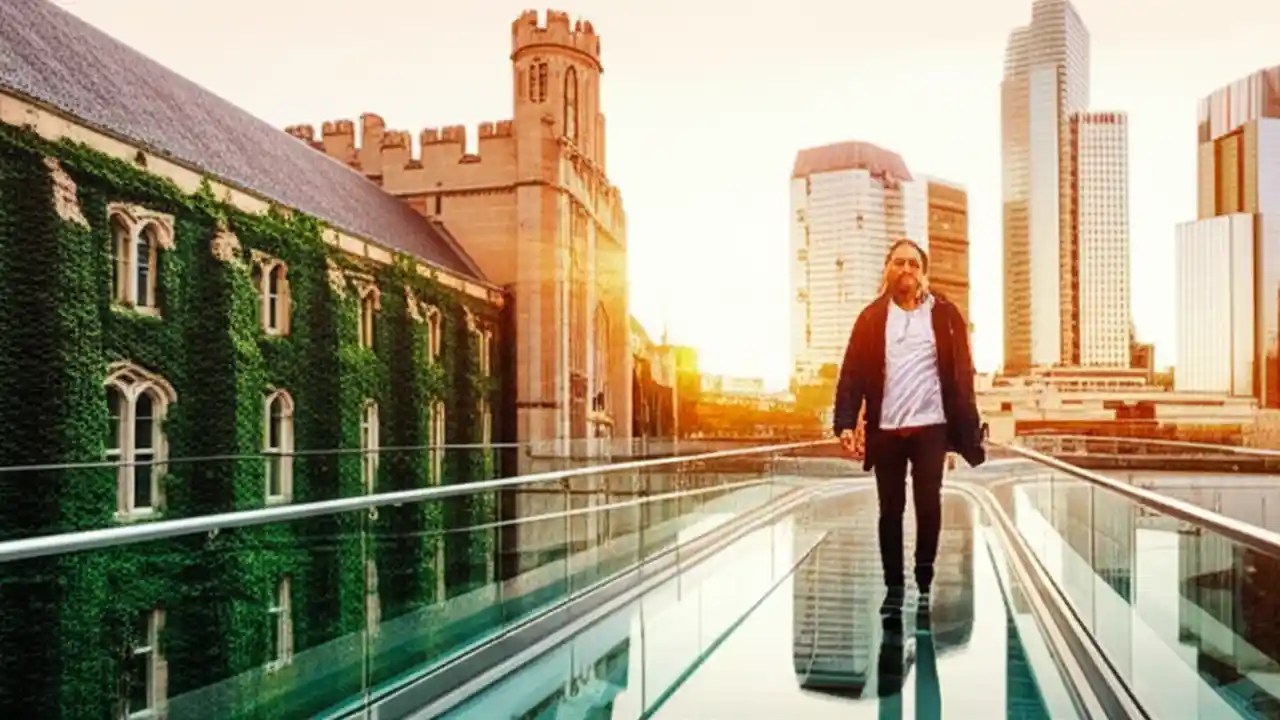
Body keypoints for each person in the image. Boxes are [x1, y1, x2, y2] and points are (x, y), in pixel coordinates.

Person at [832, 238, 985, 607]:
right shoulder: (871, 318)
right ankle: (894, 584)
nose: (906, 269)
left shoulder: (946, 316)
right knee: (890, 509)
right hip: (886, 428)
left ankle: (925, 577)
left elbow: (963, 375)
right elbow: (851, 372)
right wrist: (845, 423)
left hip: (931, 426)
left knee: (928, 503)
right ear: (887, 268)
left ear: (923, 273)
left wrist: (969, 425)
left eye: (913, 264)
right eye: (899, 262)